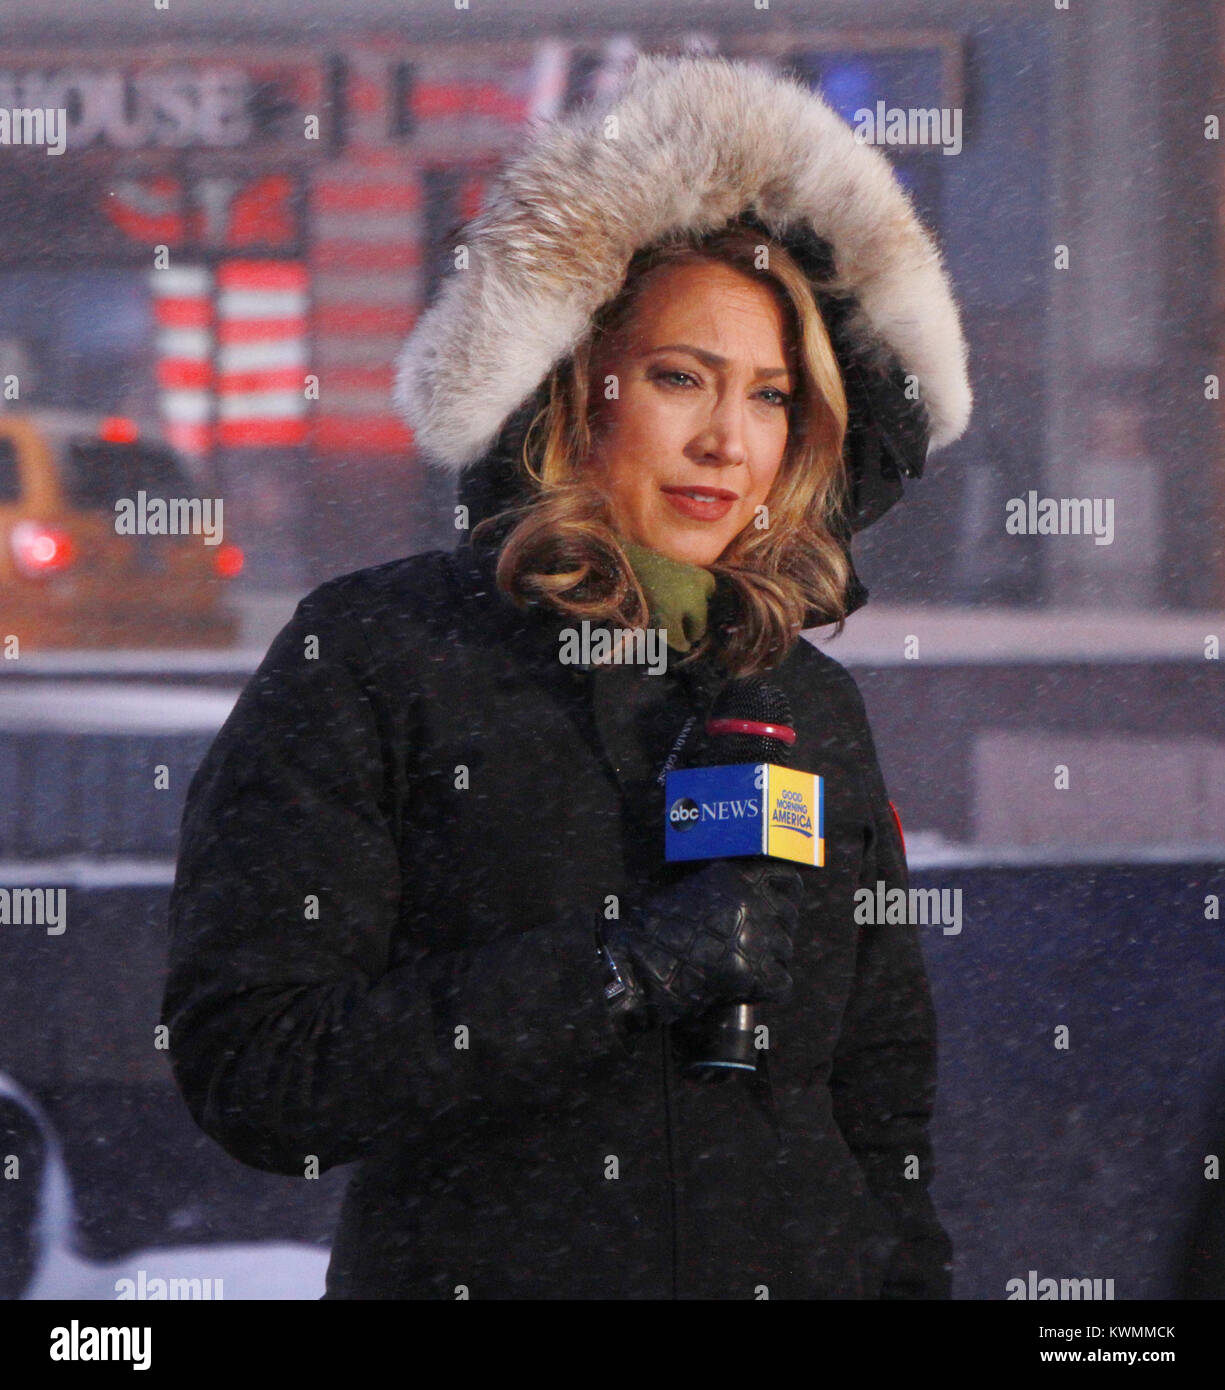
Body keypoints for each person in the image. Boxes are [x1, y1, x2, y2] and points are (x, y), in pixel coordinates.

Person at [161, 52, 972, 1300]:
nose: (725, 439)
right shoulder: (377, 657)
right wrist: (617, 971)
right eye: (677, 376)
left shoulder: (808, 702)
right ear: (567, 393)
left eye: (768, 394)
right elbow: (263, 1076)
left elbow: (882, 1109)